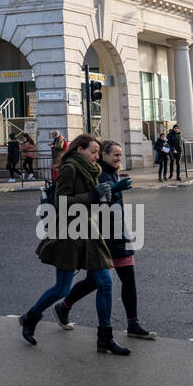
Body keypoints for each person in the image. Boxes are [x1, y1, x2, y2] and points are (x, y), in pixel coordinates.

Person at [18, 133, 133, 355]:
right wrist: (92, 194)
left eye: (98, 152)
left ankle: (105, 339)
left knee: (105, 282)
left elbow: (95, 202)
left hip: (88, 229)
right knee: (62, 287)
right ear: (79, 150)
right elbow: (61, 202)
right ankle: (29, 318)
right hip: (69, 231)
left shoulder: (93, 170)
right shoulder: (70, 168)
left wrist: (113, 190)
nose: (97, 156)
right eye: (93, 151)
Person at [52, 140, 156, 340]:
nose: (118, 158)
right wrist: (115, 188)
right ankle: (63, 307)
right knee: (93, 281)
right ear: (105, 156)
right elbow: (97, 204)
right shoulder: (98, 174)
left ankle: (132, 323)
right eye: (115, 155)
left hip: (118, 233)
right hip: (102, 235)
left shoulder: (113, 172)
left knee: (128, 278)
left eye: (120, 155)